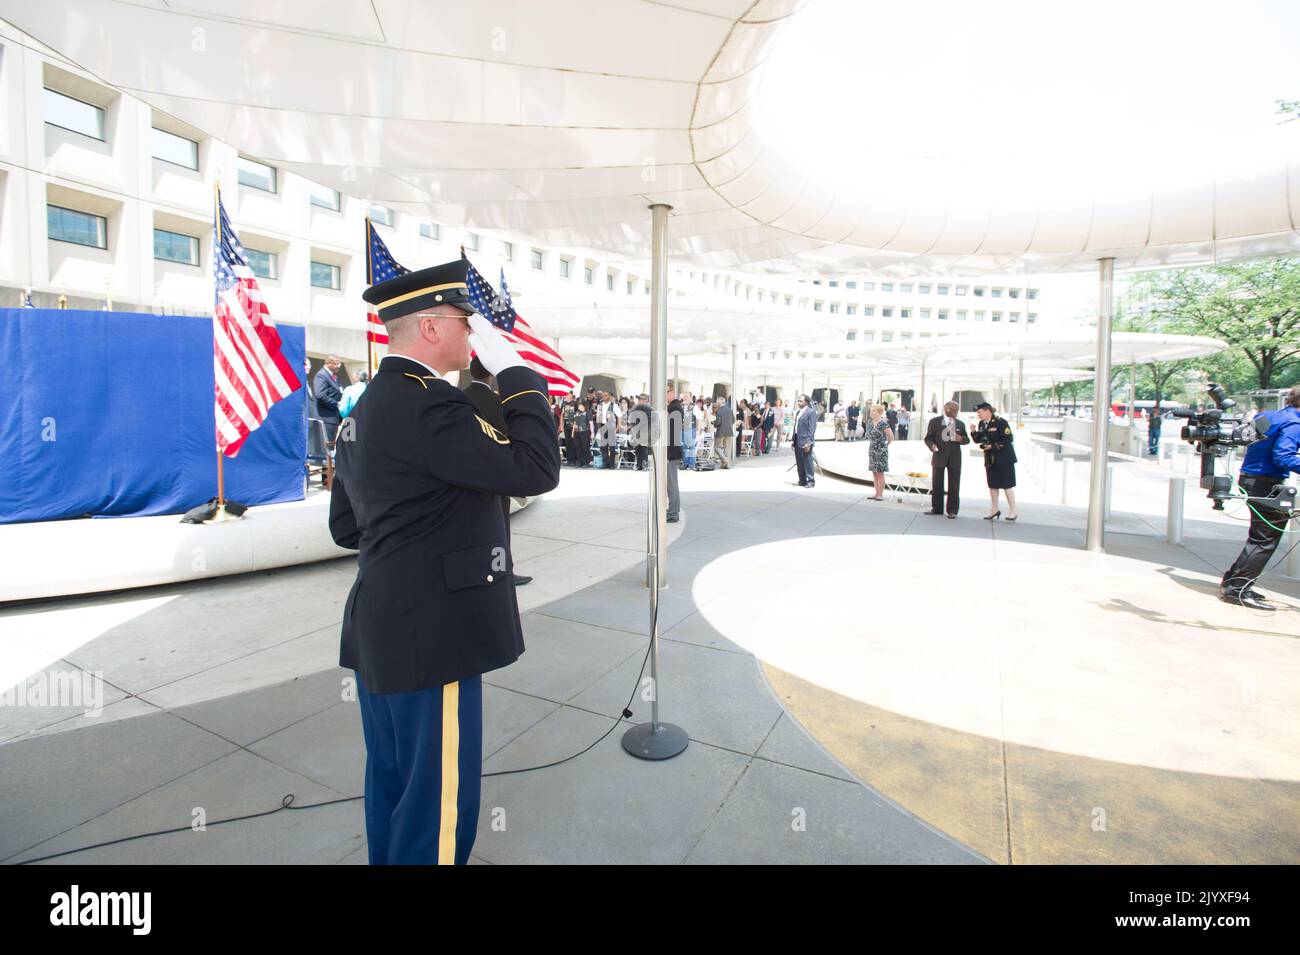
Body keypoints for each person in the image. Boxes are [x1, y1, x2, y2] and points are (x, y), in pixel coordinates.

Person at [330, 259, 560, 865]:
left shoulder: (364, 408)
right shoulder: (430, 407)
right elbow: (536, 469)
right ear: (430, 327)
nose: (471, 333)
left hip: (380, 628)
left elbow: (345, 527)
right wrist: (518, 377)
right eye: (464, 321)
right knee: (436, 809)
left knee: (393, 786)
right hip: (433, 638)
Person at [1219, 384, 1300, 610]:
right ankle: (1237, 589)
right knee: (1265, 539)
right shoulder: (1295, 423)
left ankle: (1234, 582)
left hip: (1251, 478)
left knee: (1258, 537)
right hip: (1266, 482)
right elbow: (1283, 456)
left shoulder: (1270, 415)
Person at [464, 355, 532, 586]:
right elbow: (507, 436)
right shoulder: (496, 402)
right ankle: (503, 571)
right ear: (490, 374)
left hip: (464, 475)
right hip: (494, 475)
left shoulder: (459, 398)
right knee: (500, 528)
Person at [972, 402, 1017, 521]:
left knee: (1007, 485)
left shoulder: (1000, 422)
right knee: (992, 485)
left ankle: (1013, 511)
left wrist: (992, 446)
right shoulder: (982, 423)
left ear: (987, 411)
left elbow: (1008, 439)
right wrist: (973, 432)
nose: (978, 415)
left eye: (980, 412)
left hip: (1004, 458)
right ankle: (994, 509)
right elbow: (979, 439)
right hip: (990, 458)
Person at [924, 400, 970, 518]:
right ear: (946, 409)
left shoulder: (960, 424)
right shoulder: (935, 422)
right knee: (937, 484)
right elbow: (928, 438)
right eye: (954, 410)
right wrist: (932, 446)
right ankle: (936, 508)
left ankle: (952, 510)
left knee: (954, 484)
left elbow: (967, 440)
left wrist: (961, 439)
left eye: (957, 410)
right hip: (939, 456)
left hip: (955, 458)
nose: (956, 412)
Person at [864, 403, 894, 500]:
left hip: (881, 450)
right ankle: (876, 493)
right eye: (871, 411)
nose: (871, 413)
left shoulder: (883, 423)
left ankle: (880, 494)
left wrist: (885, 444)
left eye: (874, 411)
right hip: (872, 449)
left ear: (880, 412)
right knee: (874, 472)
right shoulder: (870, 423)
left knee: (880, 473)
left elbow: (891, 437)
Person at [313, 355, 344, 441]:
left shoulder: (334, 377)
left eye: (339, 364)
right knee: (328, 446)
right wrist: (336, 404)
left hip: (334, 418)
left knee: (332, 445)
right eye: (336, 364)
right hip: (327, 418)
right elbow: (320, 394)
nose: (338, 366)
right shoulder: (321, 376)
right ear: (328, 363)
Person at [665, 386, 683, 522]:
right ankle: (672, 510)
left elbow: (673, 434)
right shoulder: (673, 407)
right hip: (670, 450)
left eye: (666, 392)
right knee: (670, 483)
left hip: (671, 451)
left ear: (672, 392)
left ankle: (673, 512)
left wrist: (667, 453)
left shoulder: (675, 408)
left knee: (672, 484)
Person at [792, 393, 817, 488]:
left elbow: (812, 428)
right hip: (797, 440)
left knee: (808, 461)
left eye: (801, 401)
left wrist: (809, 442)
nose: (799, 402)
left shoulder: (811, 412)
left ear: (806, 402)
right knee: (799, 462)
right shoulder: (799, 412)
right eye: (798, 401)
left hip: (805, 441)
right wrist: (793, 439)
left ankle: (811, 481)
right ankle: (802, 480)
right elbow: (796, 427)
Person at [714, 397, 735, 467]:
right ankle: (726, 464)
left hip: (721, 432)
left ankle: (724, 459)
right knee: (727, 449)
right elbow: (733, 420)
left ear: (719, 403)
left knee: (717, 447)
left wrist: (714, 423)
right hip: (729, 431)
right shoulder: (730, 410)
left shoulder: (719, 411)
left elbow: (718, 422)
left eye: (717, 402)